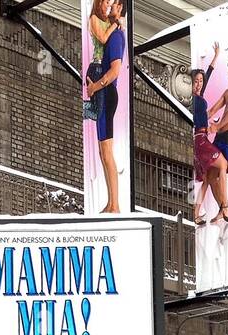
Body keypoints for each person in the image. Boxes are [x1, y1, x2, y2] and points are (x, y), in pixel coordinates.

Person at [84, 0, 127, 213]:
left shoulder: (116, 35)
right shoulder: (112, 32)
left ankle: (115, 205)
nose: (111, 7)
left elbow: (115, 70)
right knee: (103, 152)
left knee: (107, 151)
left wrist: (95, 88)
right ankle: (111, 203)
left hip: (106, 93)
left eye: (115, 5)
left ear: (121, 10)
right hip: (103, 92)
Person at [190, 48, 228, 231]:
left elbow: (208, 73)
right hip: (200, 140)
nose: (199, 84)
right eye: (195, 81)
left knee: (207, 179)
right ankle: (225, 207)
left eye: (200, 81)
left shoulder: (198, 97)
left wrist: (215, 57)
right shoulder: (191, 99)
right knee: (222, 165)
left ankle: (196, 213)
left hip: (201, 138)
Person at [208, 54, 228, 188]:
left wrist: (218, 126)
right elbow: (213, 110)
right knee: (210, 176)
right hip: (219, 137)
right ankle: (223, 207)